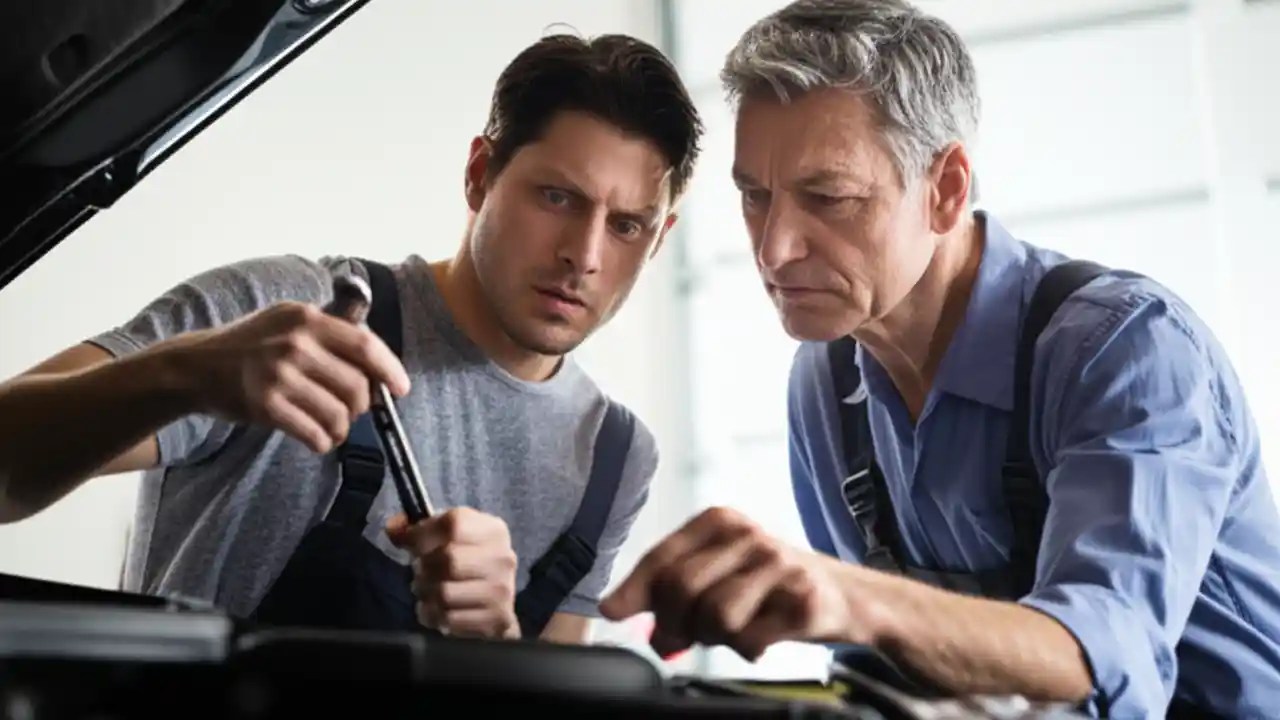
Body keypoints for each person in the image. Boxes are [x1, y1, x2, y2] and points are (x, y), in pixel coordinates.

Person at [600, 1, 1280, 717]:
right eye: (754, 197)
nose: (774, 250)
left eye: (828, 198)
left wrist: (846, 594)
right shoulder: (827, 383)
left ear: (947, 189)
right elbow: (880, 676)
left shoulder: (1128, 349)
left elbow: (1102, 653)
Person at [0, 32, 703, 645]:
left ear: (659, 237)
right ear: (480, 173)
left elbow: (552, 697)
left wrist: (497, 637)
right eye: (558, 198)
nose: (584, 254)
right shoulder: (286, 311)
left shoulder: (614, 459)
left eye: (626, 225)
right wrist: (186, 372)